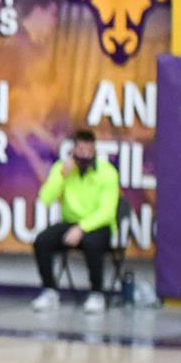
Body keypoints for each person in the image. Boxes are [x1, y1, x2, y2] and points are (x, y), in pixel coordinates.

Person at [29, 129, 120, 315]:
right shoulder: (62, 169)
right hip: (70, 222)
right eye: (80, 149)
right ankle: (49, 290)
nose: (84, 154)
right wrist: (61, 176)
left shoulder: (107, 172)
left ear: (94, 150)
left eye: (89, 149)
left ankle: (96, 293)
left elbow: (107, 211)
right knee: (42, 241)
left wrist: (82, 228)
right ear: (73, 150)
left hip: (98, 225)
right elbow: (45, 198)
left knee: (91, 242)